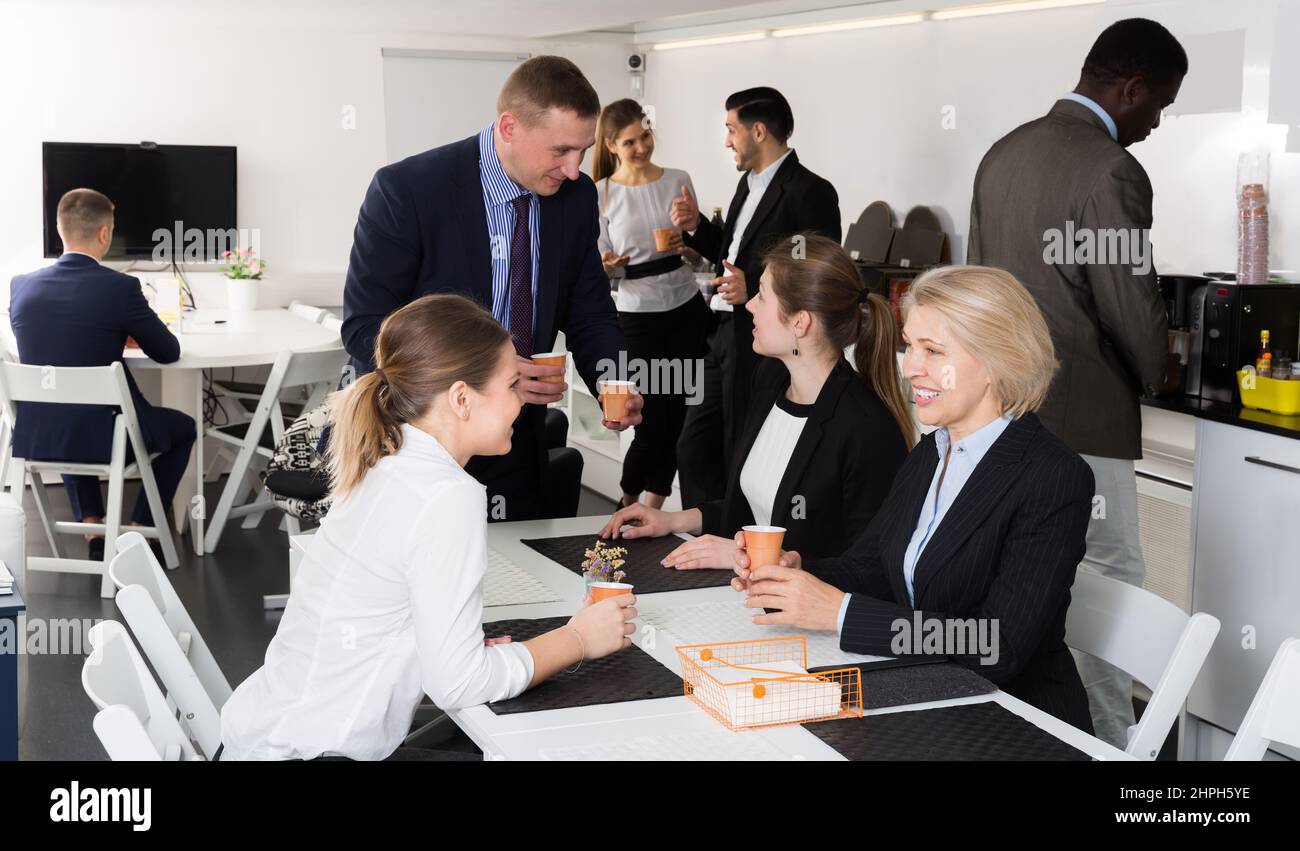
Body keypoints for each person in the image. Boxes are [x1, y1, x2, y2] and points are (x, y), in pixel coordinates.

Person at [220, 294, 636, 761]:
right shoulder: (447, 495)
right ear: (462, 399)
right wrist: (577, 638)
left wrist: (459, 649)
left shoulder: (383, 459)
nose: (522, 402)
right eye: (512, 385)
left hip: (261, 735)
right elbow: (458, 683)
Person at [731, 266, 1096, 733]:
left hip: (1015, 722)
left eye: (933, 350)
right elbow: (875, 566)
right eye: (911, 346)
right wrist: (799, 570)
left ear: (995, 362)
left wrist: (838, 613)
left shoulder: (1053, 477)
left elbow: (996, 643)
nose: (911, 366)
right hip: (929, 698)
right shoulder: (933, 450)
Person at [967, 17, 1187, 747]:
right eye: (1159, 103)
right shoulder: (1112, 169)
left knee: (1017, 583)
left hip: (1000, 420)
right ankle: (1114, 748)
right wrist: (1162, 368)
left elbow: (978, 292)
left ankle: (1024, 735)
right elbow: (1131, 305)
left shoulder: (1001, 155)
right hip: (1084, 424)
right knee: (1107, 588)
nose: (1156, 123)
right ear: (1130, 89)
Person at [341, 56, 642, 523]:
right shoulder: (408, 189)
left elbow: (590, 311)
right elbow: (366, 329)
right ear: (508, 127)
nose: (575, 169)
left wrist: (611, 380)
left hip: (516, 441)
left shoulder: (575, 197)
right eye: (560, 150)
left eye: (583, 150)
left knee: (514, 586)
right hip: (414, 441)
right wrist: (486, 376)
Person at [600, 235, 911, 569]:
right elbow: (751, 510)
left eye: (762, 296)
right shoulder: (770, 382)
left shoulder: (867, 429)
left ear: (800, 322)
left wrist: (751, 559)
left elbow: (870, 569)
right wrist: (674, 520)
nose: (749, 305)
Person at [669, 87, 841, 508]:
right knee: (693, 445)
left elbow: (813, 270)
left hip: (765, 341)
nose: (727, 140)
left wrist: (758, 285)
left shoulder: (810, 191)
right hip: (723, 334)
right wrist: (698, 230)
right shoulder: (747, 185)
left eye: (731, 130)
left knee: (739, 448)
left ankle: (733, 543)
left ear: (758, 131)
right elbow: (734, 256)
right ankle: (703, 533)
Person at [8, 188, 193, 561]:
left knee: (71, 407)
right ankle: (140, 531)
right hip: (105, 436)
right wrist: (121, 329)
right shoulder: (120, 288)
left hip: (38, 434)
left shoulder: (21, 286)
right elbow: (167, 351)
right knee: (184, 428)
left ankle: (94, 532)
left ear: (60, 230)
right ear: (106, 233)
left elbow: (55, 344)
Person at [593, 98, 711, 511]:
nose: (641, 147)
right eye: (630, 142)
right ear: (611, 146)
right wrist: (608, 266)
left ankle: (653, 508)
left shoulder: (678, 179)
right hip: (637, 316)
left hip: (685, 308)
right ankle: (627, 500)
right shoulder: (602, 194)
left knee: (681, 418)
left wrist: (690, 244)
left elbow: (703, 253)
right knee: (652, 420)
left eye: (645, 136)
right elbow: (601, 268)